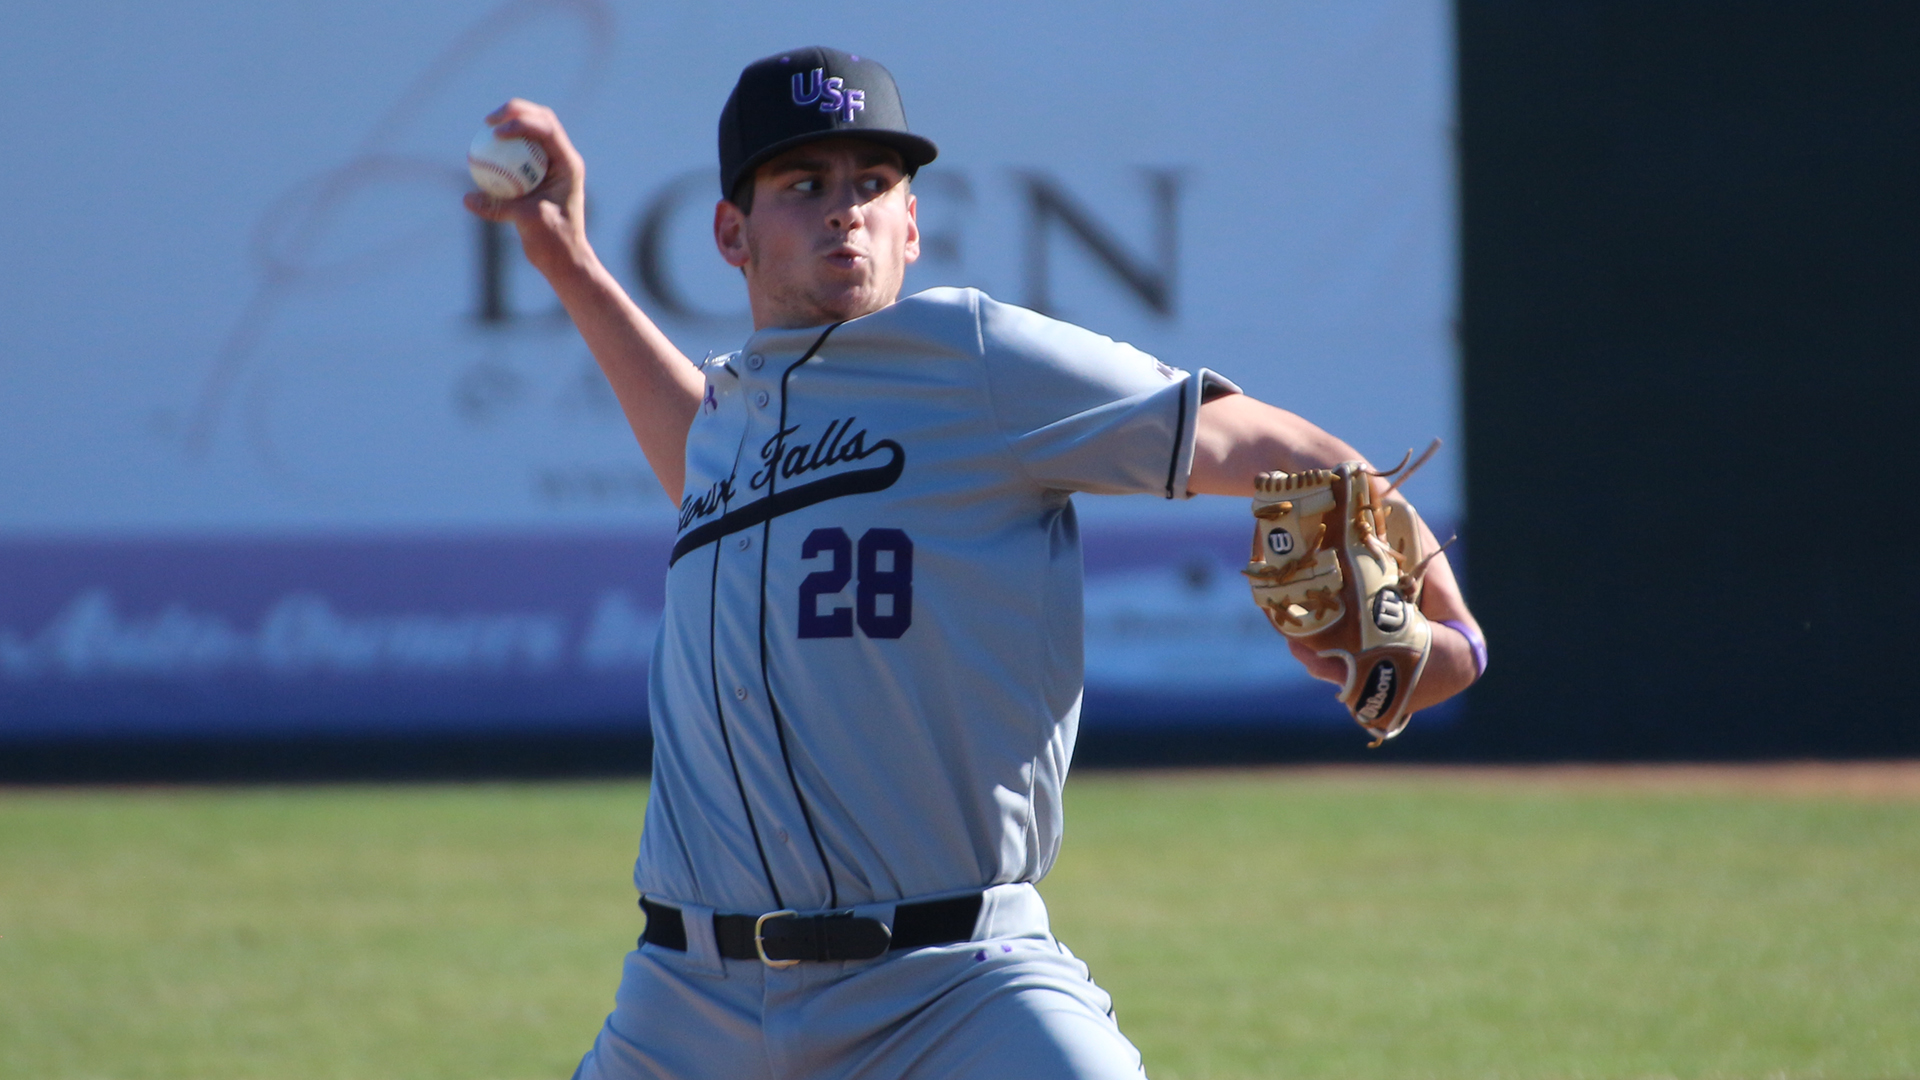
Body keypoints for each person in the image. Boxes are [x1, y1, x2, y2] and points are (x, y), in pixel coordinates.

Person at [465, 46, 1484, 1080]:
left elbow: (1275, 449)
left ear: (913, 224)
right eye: (803, 183)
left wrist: (1457, 633)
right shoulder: (729, 429)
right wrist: (564, 260)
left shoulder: (977, 364)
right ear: (732, 231)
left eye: (874, 183)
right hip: (687, 1006)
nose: (844, 209)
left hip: (949, 984)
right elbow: (699, 464)